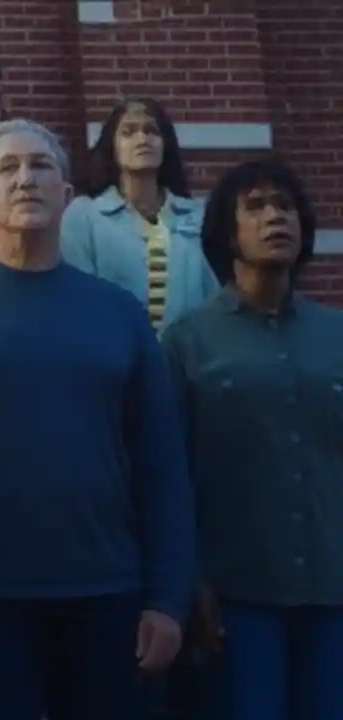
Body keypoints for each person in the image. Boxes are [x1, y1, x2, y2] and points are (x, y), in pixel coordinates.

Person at [0, 119, 194, 720]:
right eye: (9, 168)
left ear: (67, 195)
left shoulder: (117, 313)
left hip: (109, 593)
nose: (26, 179)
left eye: (41, 166)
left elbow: (161, 463)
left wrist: (169, 597)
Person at [162, 160, 343, 720]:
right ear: (226, 230)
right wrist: (189, 583)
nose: (275, 217)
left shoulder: (334, 334)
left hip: (333, 589)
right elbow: (169, 473)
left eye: (286, 206)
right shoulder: (187, 341)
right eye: (257, 207)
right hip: (237, 594)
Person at [62, 97, 218, 332]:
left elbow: (216, 296)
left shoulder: (200, 215)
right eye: (129, 132)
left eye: (151, 131)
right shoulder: (84, 216)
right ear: (112, 146)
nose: (142, 139)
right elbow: (78, 298)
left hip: (192, 358)